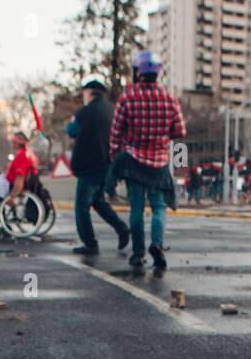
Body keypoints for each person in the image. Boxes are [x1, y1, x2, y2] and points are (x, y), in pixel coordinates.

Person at [108, 50, 187, 270]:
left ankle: (137, 253)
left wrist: (116, 155)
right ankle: (158, 245)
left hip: (133, 160)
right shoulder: (169, 98)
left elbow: (115, 133)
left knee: (136, 208)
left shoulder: (127, 97)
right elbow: (180, 130)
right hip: (159, 162)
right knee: (159, 206)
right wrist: (162, 136)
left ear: (138, 72)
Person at [66, 78, 129, 256]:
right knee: (98, 201)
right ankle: (121, 227)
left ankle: (90, 244)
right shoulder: (112, 110)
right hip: (108, 164)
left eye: (84, 93)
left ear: (89, 92)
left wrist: (73, 120)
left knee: (81, 206)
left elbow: (71, 131)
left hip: (89, 165)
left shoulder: (84, 113)